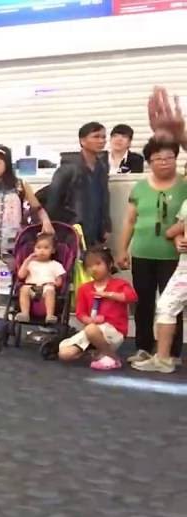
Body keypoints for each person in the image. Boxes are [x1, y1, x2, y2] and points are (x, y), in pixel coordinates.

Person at [115, 137, 187, 365]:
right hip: (143, 251)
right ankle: (143, 348)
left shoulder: (185, 186)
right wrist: (122, 249)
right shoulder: (140, 187)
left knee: (172, 305)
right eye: (158, 159)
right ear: (149, 162)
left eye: (170, 158)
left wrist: (177, 235)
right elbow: (129, 220)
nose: (165, 162)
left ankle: (172, 353)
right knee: (144, 302)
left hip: (173, 255)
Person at [0, 146, 53, 341]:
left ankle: (22, 322)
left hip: (14, 241)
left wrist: (46, 221)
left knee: (21, 282)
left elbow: (37, 207)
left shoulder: (20, 185)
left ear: (6, 163)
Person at [132, 197, 187, 373]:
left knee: (166, 307)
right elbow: (174, 230)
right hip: (184, 268)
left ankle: (164, 359)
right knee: (166, 306)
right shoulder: (185, 204)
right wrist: (178, 237)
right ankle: (163, 359)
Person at [59, 246, 137, 370]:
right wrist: (89, 320)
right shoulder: (84, 289)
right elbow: (80, 313)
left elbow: (131, 297)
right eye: (89, 266)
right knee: (64, 354)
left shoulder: (120, 284)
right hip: (93, 329)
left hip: (114, 331)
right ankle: (96, 353)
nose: (93, 269)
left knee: (91, 330)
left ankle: (112, 357)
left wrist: (109, 295)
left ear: (109, 264)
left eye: (98, 264)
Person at [46, 122, 110, 249]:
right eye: (96, 137)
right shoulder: (68, 168)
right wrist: (62, 228)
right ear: (83, 141)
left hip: (96, 231)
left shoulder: (101, 167)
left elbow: (104, 198)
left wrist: (107, 226)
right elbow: (53, 202)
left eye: (103, 137)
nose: (101, 141)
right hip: (74, 229)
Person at [16, 234, 66, 323]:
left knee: (50, 291)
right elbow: (21, 275)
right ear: (34, 249)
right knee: (23, 289)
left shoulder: (55, 264)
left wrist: (56, 283)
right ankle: (24, 313)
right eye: (38, 248)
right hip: (31, 287)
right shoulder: (31, 263)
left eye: (46, 248)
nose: (42, 251)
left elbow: (59, 280)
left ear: (53, 250)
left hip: (47, 286)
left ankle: (50, 315)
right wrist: (27, 260)